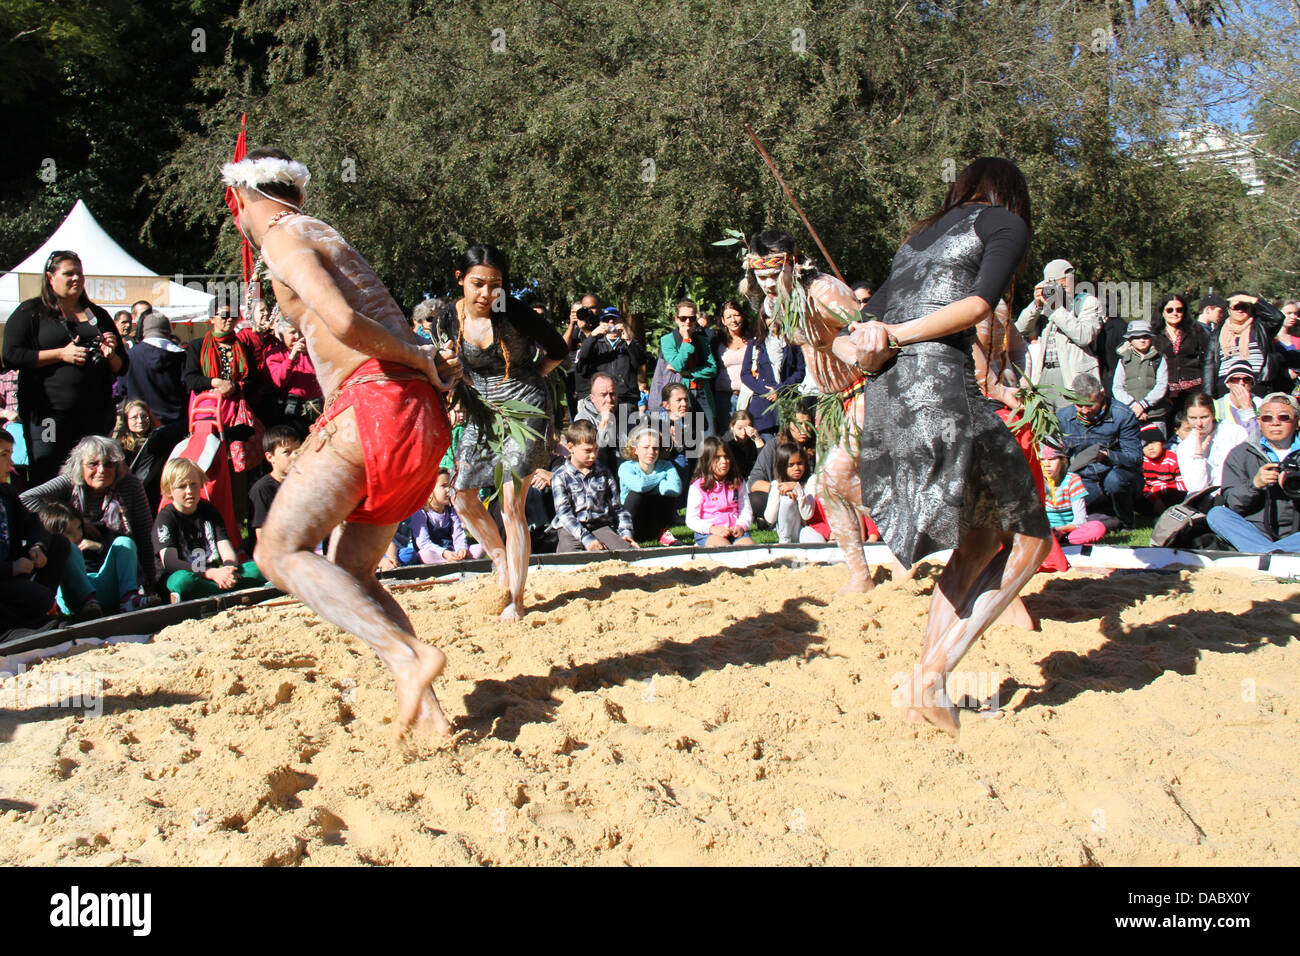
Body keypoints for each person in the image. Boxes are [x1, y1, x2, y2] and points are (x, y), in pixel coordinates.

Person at [226, 146, 462, 735]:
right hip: (416, 417)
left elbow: (344, 323)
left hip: (378, 405)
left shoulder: (282, 239)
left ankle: (407, 656)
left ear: (242, 202)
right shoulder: (322, 232)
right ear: (298, 192)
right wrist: (422, 364)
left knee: (276, 553)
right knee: (354, 571)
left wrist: (421, 357)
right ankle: (429, 717)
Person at [839, 156, 1053, 736]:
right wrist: (893, 335)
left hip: (890, 399)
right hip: (945, 391)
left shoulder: (916, 241)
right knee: (1032, 538)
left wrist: (868, 342)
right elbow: (981, 306)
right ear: (1009, 193)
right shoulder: (1005, 223)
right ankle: (930, 679)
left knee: (983, 538)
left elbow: (850, 338)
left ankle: (926, 681)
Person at [432, 244, 568, 620]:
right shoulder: (445, 319)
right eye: (478, 284)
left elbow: (557, 349)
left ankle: (517, 599)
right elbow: (449, 367)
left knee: (511, 503)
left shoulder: (515, 312)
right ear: (460, 280)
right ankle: (499, 558)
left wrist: (534, 378)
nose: (487, 294)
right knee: (460, 495)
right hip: (482, 408)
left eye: (496, 285)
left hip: (526, 406)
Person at [2, 251, 129, 484]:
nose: (76, 279)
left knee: (94, 479)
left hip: (93, 415)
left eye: (80, 274)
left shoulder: (97, 315)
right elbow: (11, 355)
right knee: (50, 474)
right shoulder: (31, 312)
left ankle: (88, 521)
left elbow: (122, 366)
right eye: (69, 273)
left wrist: (110, 355)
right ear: (50, 277)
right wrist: (61, 354)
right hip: (49, 416)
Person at [20, 434, 156, 598]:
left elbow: (145, 535)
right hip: (74, 572)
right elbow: (25, 500)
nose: (101, 470)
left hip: (115, 568)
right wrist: (70, 517)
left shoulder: (130, 485)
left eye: (109, 464)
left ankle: (129, 598)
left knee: (125, 543)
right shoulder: (70, 483)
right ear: (80, 465)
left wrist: (151, 581)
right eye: (93, 464)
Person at [154, 458, 267, 601]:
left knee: (257, 569)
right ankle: (226, 592)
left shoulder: (209, 510)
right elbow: (170, 562)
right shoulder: (166, 518)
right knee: (181, 581)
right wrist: (210, 573)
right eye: (182, 486)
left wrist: (229, 568)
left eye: (193, 484)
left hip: (215, 575)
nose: (189, 491)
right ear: (170, 491)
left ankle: (217, 591)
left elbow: (225, 547)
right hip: (191, 575)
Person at [1206, 393, 1300, 553]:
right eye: (1267, 418)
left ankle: (1265, 554)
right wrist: (1255, 484)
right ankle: (1276, 553)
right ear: (1259, 422)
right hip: (1254, 532)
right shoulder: (1241, 453)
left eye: (1284, 417)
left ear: (1297, 422)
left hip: (1297, 532)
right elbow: (1233, 503)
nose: (1275, 423)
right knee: (1216, 514)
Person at [0, 428, 71, 630]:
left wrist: (37, 547)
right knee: (38, 596)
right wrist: (11, 569)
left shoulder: (6, 492)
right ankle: (15, 627)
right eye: (4, 455)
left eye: (11, 455)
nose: (11, 463)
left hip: (11, 573)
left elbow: (35, 523)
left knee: (58, 544)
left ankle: (34, 617)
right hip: (5, 574)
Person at [1055, 374, 1143, 528]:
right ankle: (1105, 517)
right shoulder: (1064, 417)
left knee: (1115, 481)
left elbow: (1135, 458)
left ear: (1102, 395)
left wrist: (1108, 456)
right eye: (1078, 405)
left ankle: (1126, 522)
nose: (1084, 411)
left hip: (1117, 474)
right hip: (1085, 478)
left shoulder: (1123, 415)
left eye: (1090, 405)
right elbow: (1061, 456)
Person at [1014, 258, 1102, 409]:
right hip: (1045, 372)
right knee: (1046, 424)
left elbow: (1084, 336)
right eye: (1060, 285)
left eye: (1068, 283)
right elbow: (1020, 329)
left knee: (1070, 423)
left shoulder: (1087, 302)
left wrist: (1055, 308)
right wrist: (1036, 304)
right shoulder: (1047, 303)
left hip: (1072, 373)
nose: (1065, 288)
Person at [551, 419, 638, 553]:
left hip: (600, 525)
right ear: (571, 448)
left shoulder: (604, 472)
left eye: (596, 449)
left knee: (626, 552)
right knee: (568, 555)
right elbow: (564, 515)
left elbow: (617, 508)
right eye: (587, 450)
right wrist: (588, 540)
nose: (593, 455)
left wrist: (626, 532)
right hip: (571, 528)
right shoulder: (560, 476)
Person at [1202, 292, 1288, 398]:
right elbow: (1209, 365)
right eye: (1235, 307)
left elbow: (1277, 317)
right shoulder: (1217, 334)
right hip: (1225, 384)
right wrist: (1209, 395)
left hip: (1257, 383)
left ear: (1251, 308)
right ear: (1228, 310)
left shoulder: (1261, 327)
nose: (1240, 310)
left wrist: (1253, 300)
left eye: (1244, 306)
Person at [739, 313, 806, 439]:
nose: (773, 321)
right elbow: (745, 374)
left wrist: (780, 389)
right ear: (763, 320)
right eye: (769, 317)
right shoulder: (755, 343)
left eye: (777, 316)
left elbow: (800, 372)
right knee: (765, 449)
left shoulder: (793, 343)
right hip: (762, 409)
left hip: (787, 404)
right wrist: (766, 392)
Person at [659, 299, 718, 436]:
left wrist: (688, 373)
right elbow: (677, 364)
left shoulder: (703, 340)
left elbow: (712, 369)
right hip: (680, 396)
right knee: (687, 440)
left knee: (709, 437)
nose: (687, 322)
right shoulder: (667, 340)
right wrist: (686, 340)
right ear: (676, 319)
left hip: (702, 393)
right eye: (683, 318)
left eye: (691, 319)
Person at [121, 311, 188, 426]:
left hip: (141, 423)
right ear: (168, 332)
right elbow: (188, 389)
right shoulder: (182, 356)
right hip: (176, 423)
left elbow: (122, 389)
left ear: (144, 332)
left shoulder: (130, 356)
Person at [618, 425, 682, 545]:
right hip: (631, 522)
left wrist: (650, 485)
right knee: (637, 494)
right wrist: (661, 477)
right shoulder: (626, 467)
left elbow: (674, 489)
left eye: (655, 448)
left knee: (667, 495)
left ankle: (661, 532)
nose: (651, 452)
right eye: (646, 447)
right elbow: (640, 486)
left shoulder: (666, 465)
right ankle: (628, 537)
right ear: (635, 449)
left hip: (654, 520)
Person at [685, 436, 753, 548]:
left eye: (726, 457)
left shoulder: (738, 482)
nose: (724, 462)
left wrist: (741, 526)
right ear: (707, 460)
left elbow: (745, 509)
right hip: (709, 533)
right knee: (722, 549)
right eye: (718, 457)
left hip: (735, 530)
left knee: (748, 548)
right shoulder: (698, 487)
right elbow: (691, 519)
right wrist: (712, 528)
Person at [409, 469, 486, 564]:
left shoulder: (452, 511)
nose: (449, 490)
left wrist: (461, 549)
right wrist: (444, 553)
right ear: (429, 490)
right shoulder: (421, 513)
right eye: (444, 486)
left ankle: (455, 560)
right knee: (425, 555)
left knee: (480, 548)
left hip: (452, 550)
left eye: (450, 486)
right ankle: (453, 562)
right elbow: (423, 543)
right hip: (435, 553)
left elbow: (459, 534)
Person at [576, 307, 644, 413]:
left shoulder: (630, 343)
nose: (611, 322)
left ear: (621, 322)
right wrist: (593, 335)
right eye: (607, 320)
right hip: (602, 399)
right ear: (601, 323)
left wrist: (627, 339)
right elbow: (582, 360)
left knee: (625, 429)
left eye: (614, 320)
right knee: (603, 428)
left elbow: (640, 361)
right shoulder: (595, 344)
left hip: (626, 398)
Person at [265, 316, 324, 435]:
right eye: (292, 332)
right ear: (282, 336)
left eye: (299, 332)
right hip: (294, 410)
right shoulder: (275, 354)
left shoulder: (312, 350)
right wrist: (291, 358)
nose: (297, 337)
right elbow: (278, 381)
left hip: (319, 406)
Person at [1039, 444, 1107, 545]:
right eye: (1042, 460)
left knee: (1097, 527)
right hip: (1041, 532)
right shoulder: (1035, 481)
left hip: (1066, 531)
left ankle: (1062, 542)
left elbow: (1080, 519)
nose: (1047, 464)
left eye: (1052, 459)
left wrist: (1060, 530)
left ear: (1062, 461)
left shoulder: (1072, 480)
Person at [1154, 293, 1209, 417]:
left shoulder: (1196, 331)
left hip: (1194, 390)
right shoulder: (1154, 336)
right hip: (1166, 392)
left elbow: (1207, 360)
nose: (1175, 313)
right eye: (1170, 310)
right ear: (1162, 312)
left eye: (1179, 310)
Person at [248, 425, 302, 542]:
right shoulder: (262, 489)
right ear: (270, 457)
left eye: (297, 451)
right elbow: (262, 535)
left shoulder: (304, 482)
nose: (295, 456)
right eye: (287, 452)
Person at [764, 442, 823, 544]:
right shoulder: (776, 485)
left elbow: (807, 515)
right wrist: (780, 493)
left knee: (819, 542)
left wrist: (798, 490)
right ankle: (784, 543)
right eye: (791, 465)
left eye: (800, 463)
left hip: (802, 529)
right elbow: (770, 518)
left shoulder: (809, 483)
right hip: (785, 532)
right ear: (782, 466)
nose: (796, 468)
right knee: (788, 500)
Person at [1112, 319, 1169, 424]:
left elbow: (1162, 386)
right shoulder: (1124, 360)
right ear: (1129, 339)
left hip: (1155, 414)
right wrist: (1133, 405)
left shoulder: (1159, 359)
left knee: (1156, 440)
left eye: (1146, 336)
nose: (1142, 340)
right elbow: (1117, 387)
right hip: (1130, 413)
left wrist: (1144, 404)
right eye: (1137, 337)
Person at [573, 373, 625, 473]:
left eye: (612, 394)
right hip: (596, 475)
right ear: (592, 398)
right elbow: (589, 455)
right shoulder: (583, 419)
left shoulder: (625, 414)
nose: (609, 400)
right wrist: (604, 424)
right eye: (603, 395)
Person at [712, 300, 754, 419]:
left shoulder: (753, 339)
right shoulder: (717, 341)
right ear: (723, 321)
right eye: (729, 317)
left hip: (750, 395)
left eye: (736, 315)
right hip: (724, 397)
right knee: (727, 435)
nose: (733, 320)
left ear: (743, 316)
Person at [1139, 423, 1184, 515]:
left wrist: (1160, 488)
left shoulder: (1172, 459)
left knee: (1180, 496)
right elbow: (1142, 485)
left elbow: (1183, 485)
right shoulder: (1141, 462)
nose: (1150, 447)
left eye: (1154, 442)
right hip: (1151, 495)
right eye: (1146, 445)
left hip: (1170, 492)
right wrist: (1155, 499)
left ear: (1163, 443)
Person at [722, 408, 764, 480]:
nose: (743, 433)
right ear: (732, 426)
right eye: (739, 428)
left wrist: (758, 440)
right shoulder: (726, 442)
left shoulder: (754, 440)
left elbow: (765, 462)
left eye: (747, 429)